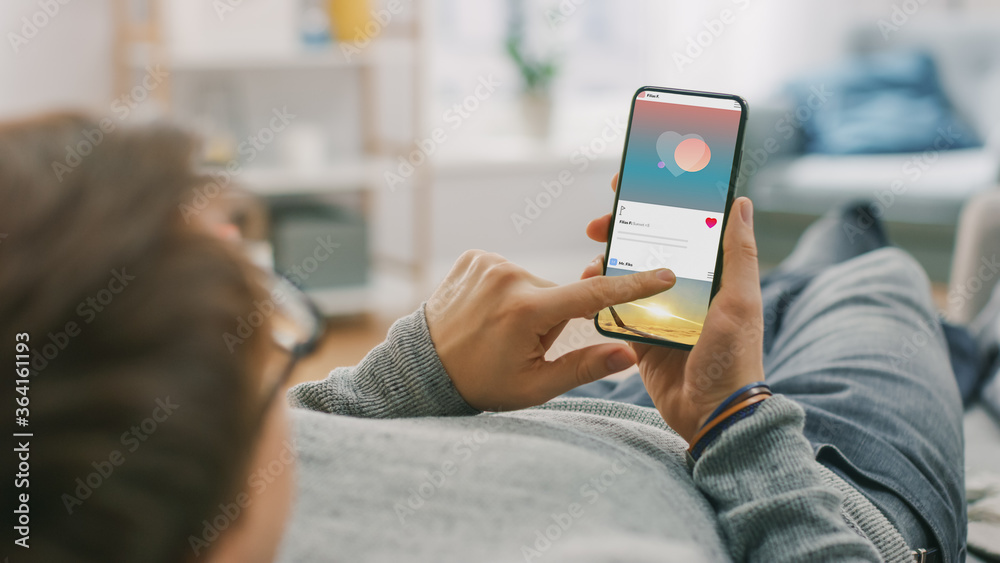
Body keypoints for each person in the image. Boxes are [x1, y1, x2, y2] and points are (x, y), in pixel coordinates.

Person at [0, 115, 964, 562]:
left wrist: (424, 366)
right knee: (869, 270)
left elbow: (305, 430)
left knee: (769, 289)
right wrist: (734, 415)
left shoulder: (112, 479)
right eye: (265, 337)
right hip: (802, 479)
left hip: (601, 407)